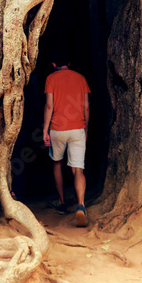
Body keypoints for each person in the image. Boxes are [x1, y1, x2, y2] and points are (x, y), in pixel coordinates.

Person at [42, 52, 91, 227]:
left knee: (57, 163)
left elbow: (49, 105)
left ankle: (61, 202)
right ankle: (81, 205)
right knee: (78, 168)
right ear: (69, 63)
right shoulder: (81, 78)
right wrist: (85, 127)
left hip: (57, 129)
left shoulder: (51, 78)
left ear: (54, 64)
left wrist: (45, 129)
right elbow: (86, 105)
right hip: (77, 128)